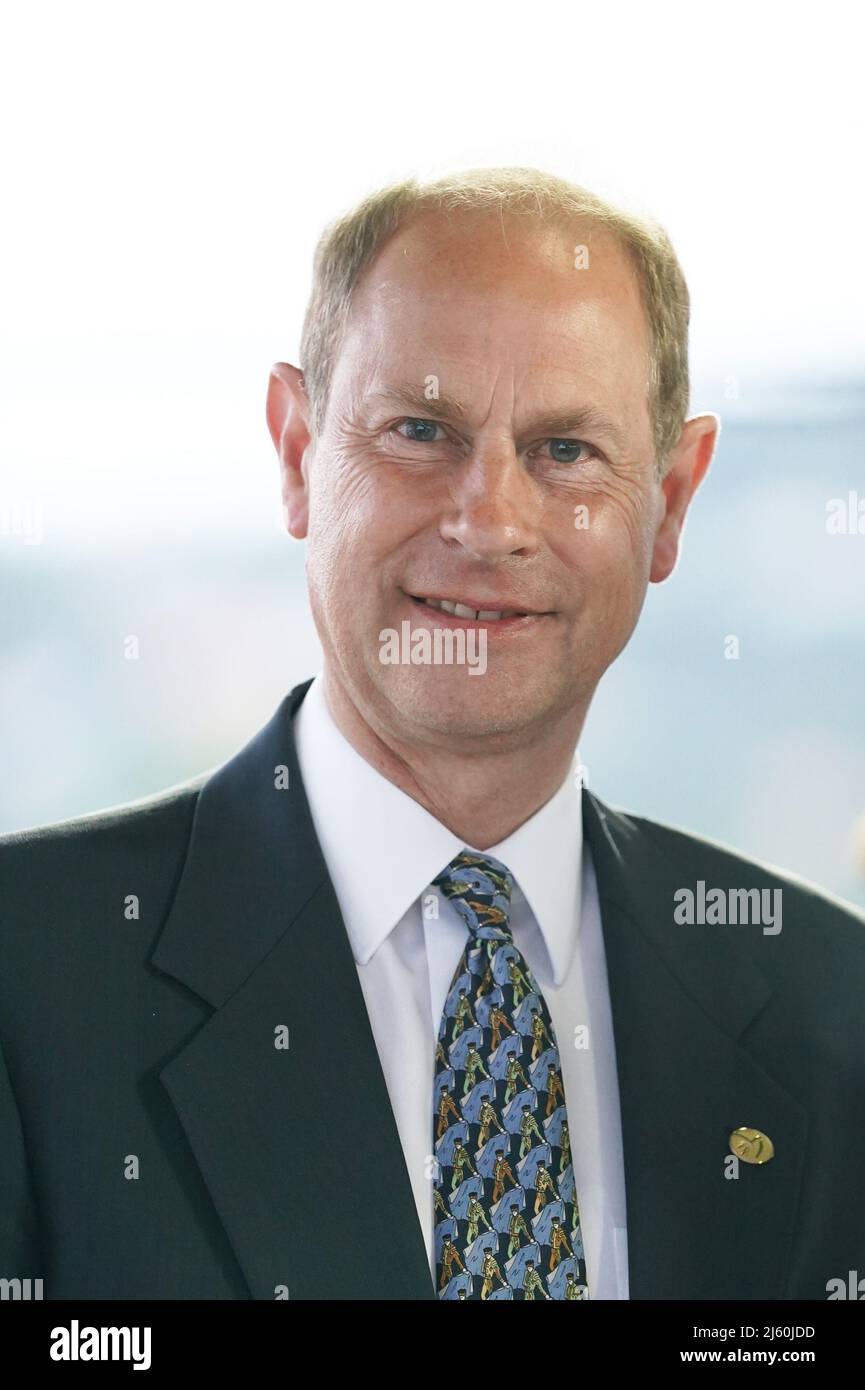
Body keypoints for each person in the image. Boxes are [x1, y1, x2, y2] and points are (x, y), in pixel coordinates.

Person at [2, 167, 864, 1302]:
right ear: (297, 449)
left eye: (565, 452)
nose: (489, 521)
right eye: (419, 429)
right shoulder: (29, 978)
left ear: (671, 500)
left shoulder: (832, 1009)